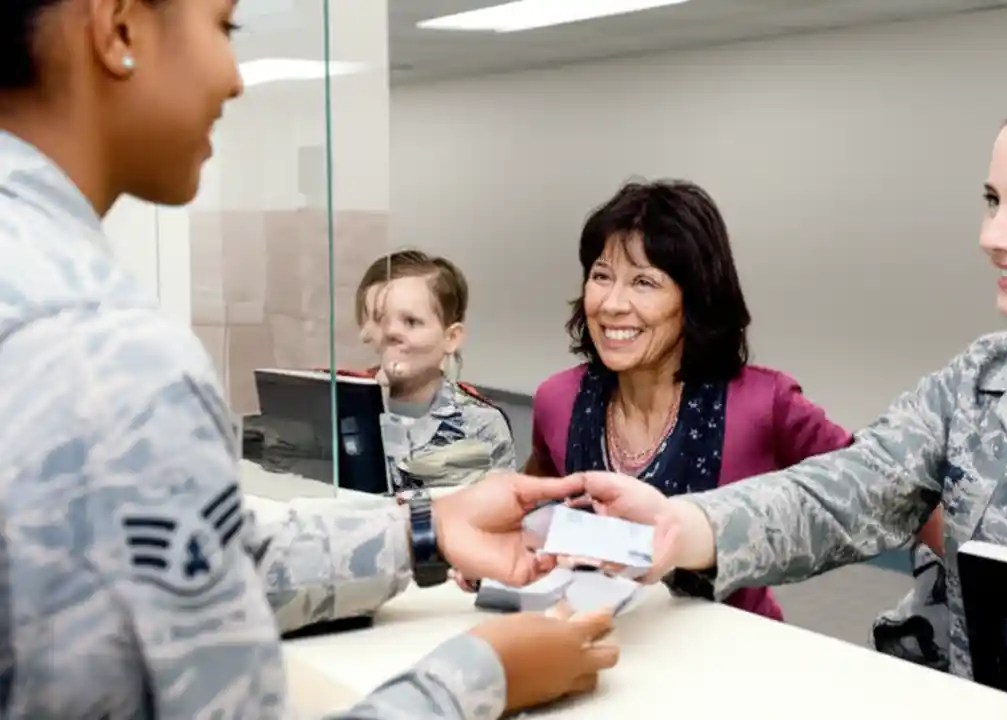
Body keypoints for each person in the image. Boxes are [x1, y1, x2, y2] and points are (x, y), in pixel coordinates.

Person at [0, 1, 616, 717]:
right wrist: (480, 678)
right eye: (224, 27)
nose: (234, 79)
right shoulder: (106, 359)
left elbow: (166, 562)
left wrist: (426, 528)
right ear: (120, 28)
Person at [567, 84, 1007, 679]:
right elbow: (845, 491)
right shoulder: (975, 382)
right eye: (992, 200)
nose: (993, 234)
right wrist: (678, 524)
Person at [504, 179, 849, 621]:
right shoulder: (559, 399)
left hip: (732, 653)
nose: (611, 304)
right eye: (601, 276)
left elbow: (879, 485)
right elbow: (537, 507)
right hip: (600, 644)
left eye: (644, 282)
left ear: (695, 296)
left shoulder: (765, 403)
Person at [353, 250, 518, 488]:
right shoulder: (342, 409)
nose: (391, 332)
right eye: (380, 320)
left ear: (451, 337)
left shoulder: (480, 424)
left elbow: (498, 513)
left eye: (411, 321)